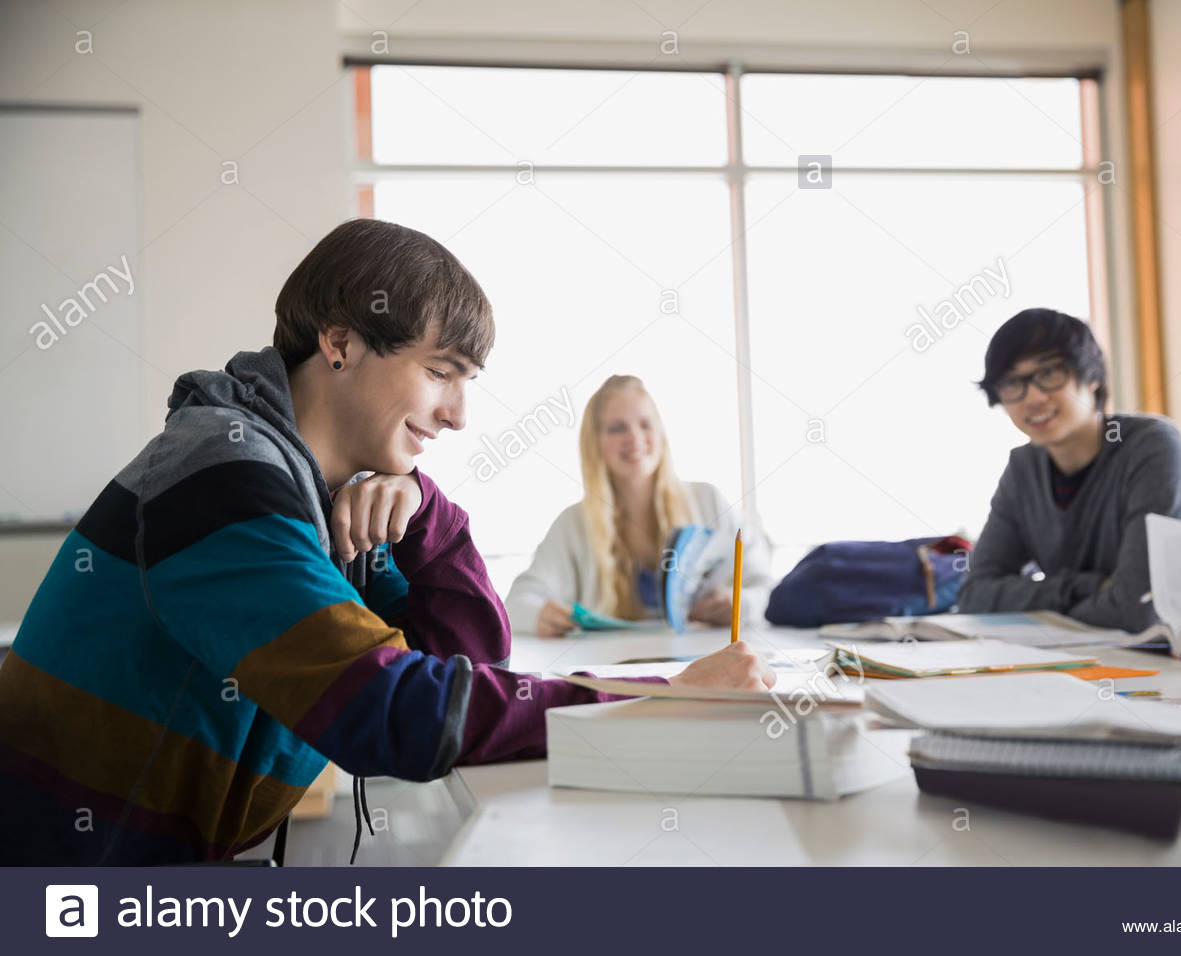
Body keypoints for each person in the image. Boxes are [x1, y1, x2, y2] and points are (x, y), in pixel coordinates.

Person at [0, 219, 773, 865]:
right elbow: (394, 714)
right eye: (441, 372)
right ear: (339, 342)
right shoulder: (223, 478)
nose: (458, 414)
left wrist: (427, 514)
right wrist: (657, 697)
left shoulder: (329, 498)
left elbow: (464, 659)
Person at [956, 307, 1181, 633]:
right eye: (1012, 383)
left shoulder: (1155, 448)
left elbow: (1141, 611)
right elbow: (974, 596)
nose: (1033, 397)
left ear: (1091, 378)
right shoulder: (1023, 469)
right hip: (1083, 662)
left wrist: (1042, 603)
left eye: (1049, 374)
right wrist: (1086, 587)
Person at [505, 374, 773, 637]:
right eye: (617, 428)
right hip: (613, 669)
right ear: (594, 442)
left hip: (702, 664)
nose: (634, 437)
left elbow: (765, 587)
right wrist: (540, 615)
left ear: (661, 433)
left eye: (645, 424)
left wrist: (740, 605)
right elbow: (518, 603)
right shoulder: (573, 524)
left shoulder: (709, 501)